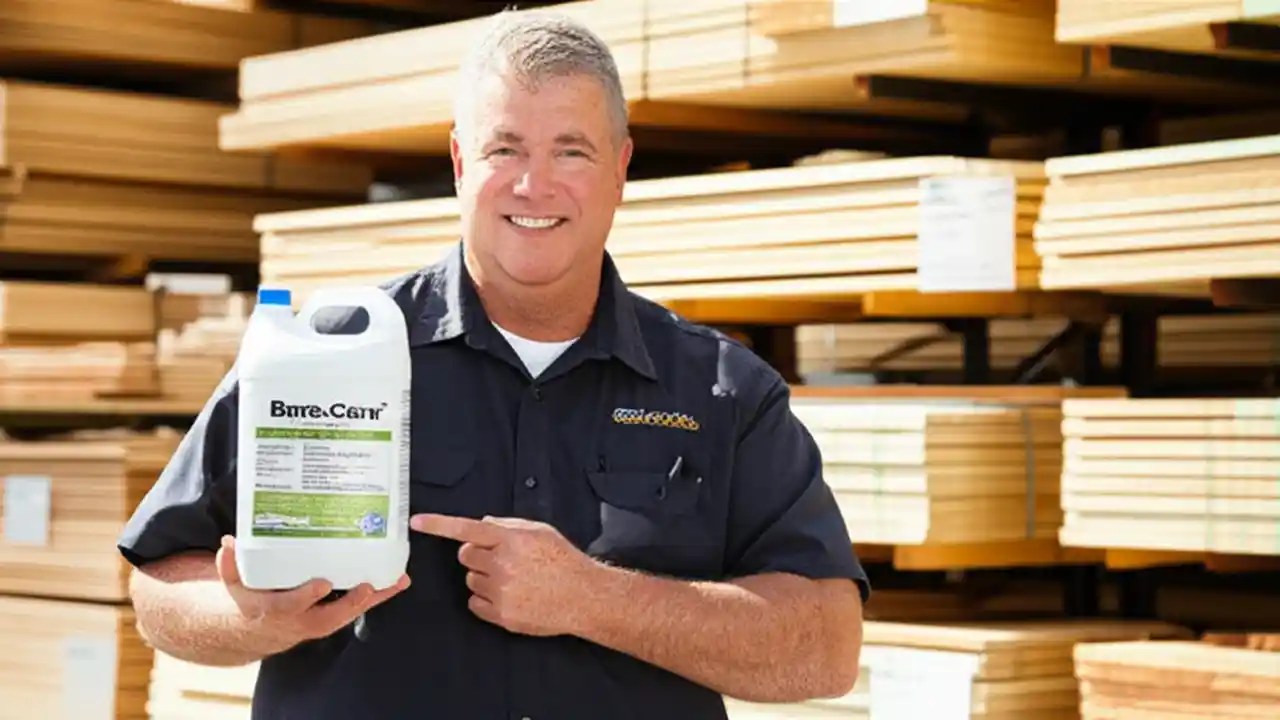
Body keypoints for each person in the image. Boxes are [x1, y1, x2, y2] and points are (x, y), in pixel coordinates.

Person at [118, 9, 869, 719]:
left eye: (570, 151)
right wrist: (252, 619)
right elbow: (158, 587)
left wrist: (591, 599)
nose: (533, 186)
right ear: (457, 163)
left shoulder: (722, 390)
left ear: (621, 167)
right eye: (503, 148)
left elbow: (826, 649)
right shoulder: (322, 356)